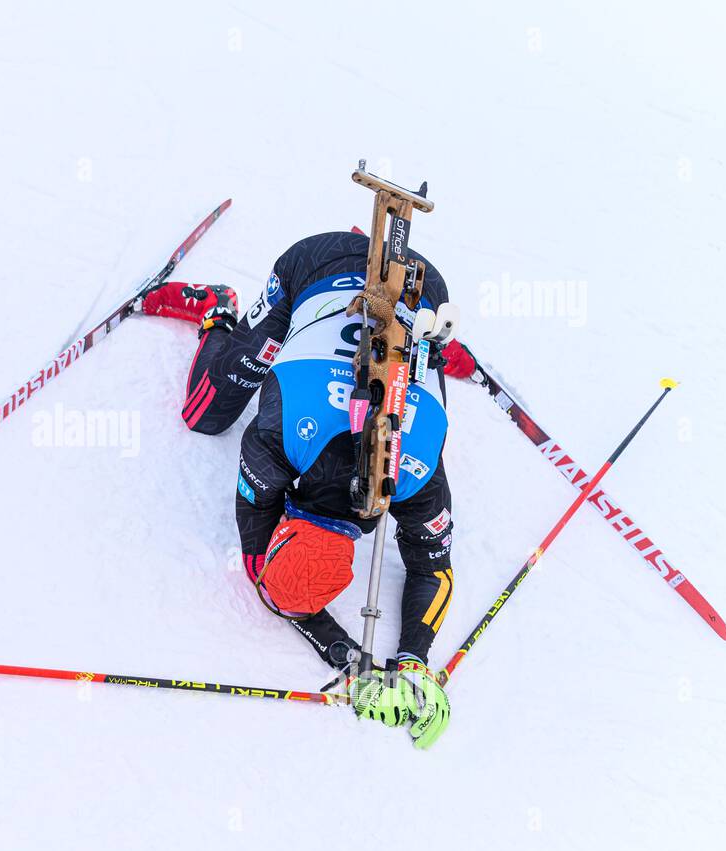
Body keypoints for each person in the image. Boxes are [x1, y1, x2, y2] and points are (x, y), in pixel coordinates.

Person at [137, 230, 474, 749]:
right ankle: (221, 313)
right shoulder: (285, 449)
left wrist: (402, 664)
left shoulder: (409, 471)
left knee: (204, 412)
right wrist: (400, 661)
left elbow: (428, 568)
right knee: (204, 414)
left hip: (380, 277)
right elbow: (269, 577)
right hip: (367, 276)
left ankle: (428, 344)